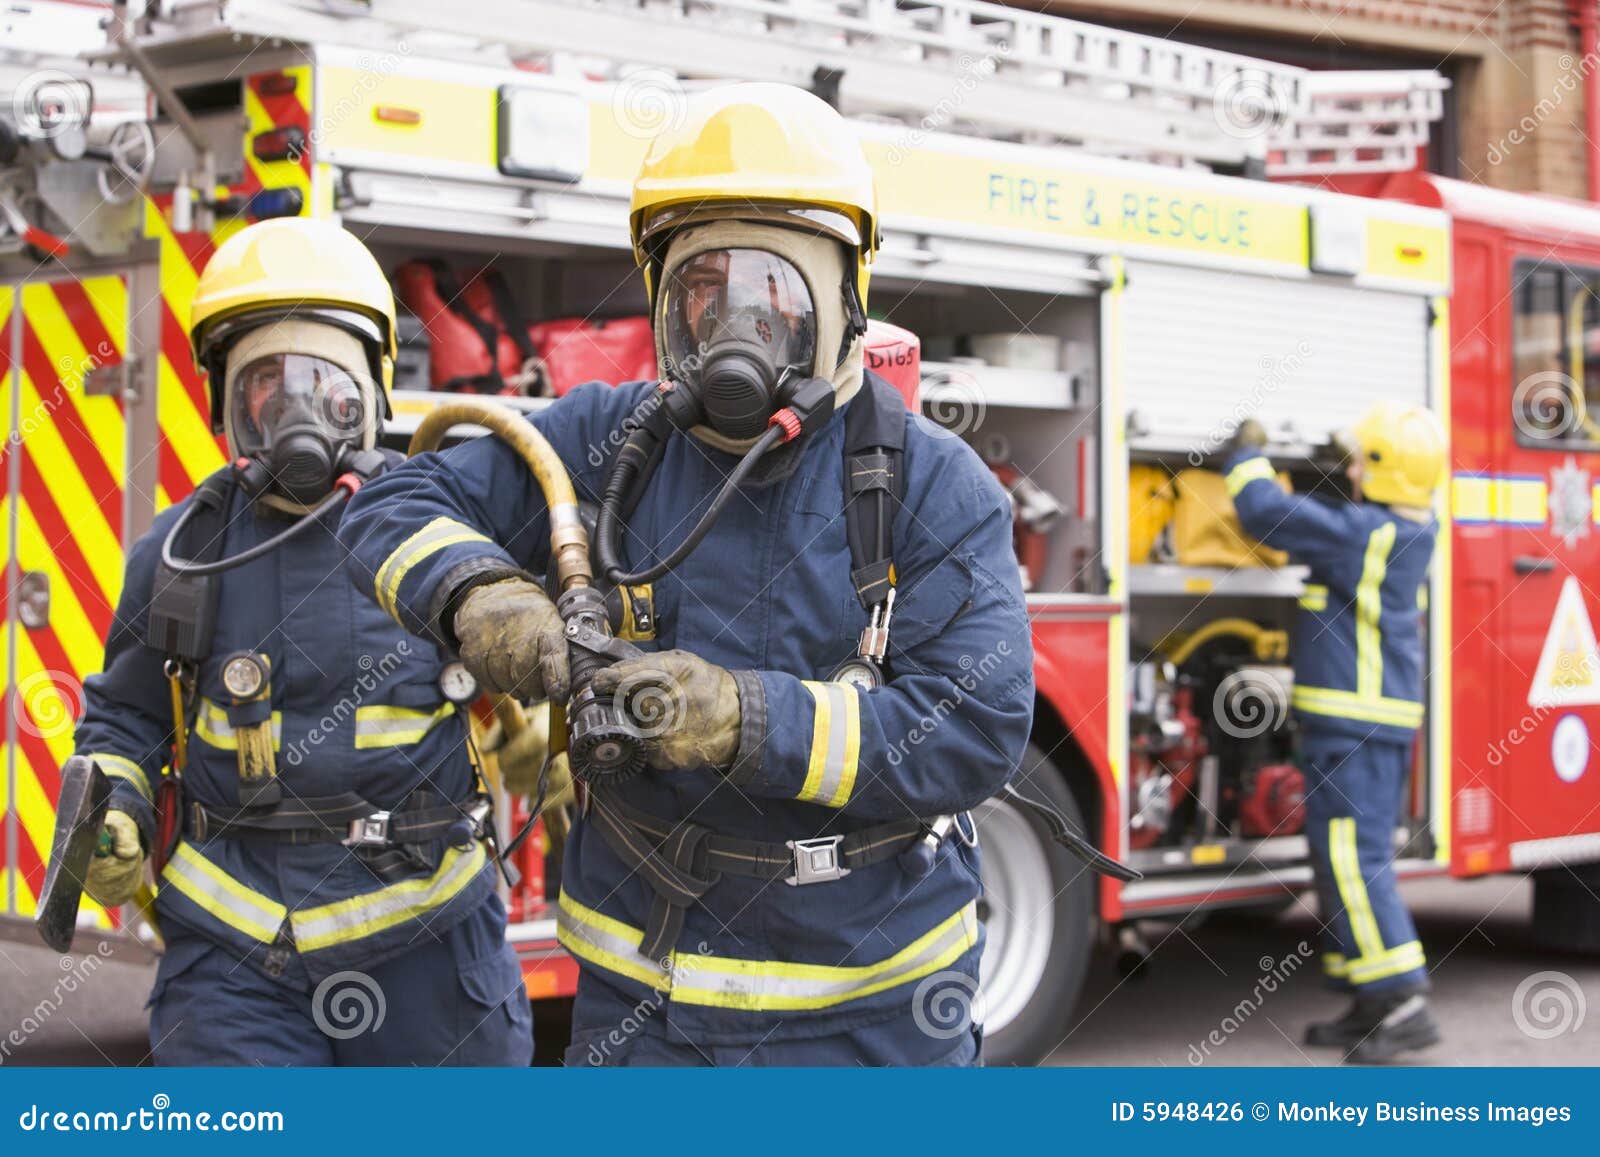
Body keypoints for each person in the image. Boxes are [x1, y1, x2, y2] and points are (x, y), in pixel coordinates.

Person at [338, 83, 1034, 1066]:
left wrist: (747, 719)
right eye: (705, 285)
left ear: (845, 297)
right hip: (644, 1012)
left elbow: (976, 727)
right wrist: (478, 594)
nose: (738, 319)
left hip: (870, 1019)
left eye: (774, 287)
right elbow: (392, 506)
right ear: (666, 300)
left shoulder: (931, 482)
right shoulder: (608, 437)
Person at [75, 217, 537, 1065]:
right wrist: (116, 807)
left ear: (371, 390)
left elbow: (516, 672)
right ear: (227, 401)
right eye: (267, 383)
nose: (296, 410)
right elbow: (125, 717)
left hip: (427, 943)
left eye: (324, 382)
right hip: (237, 960)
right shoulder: (182, 554)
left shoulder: (440, 530)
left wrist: (542, 726)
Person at [1225, 402, 1445, 1064]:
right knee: (1338, 855)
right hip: (1357, 725)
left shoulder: (1365, 535)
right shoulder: (1397, 528)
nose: (1351, 472)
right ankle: (1369, 998)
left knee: (1354, 857)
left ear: (1387, 472)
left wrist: (1247, 453)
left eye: (1361, 462)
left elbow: (1266, 512)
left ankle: (1403, 999)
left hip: (1358, 727)